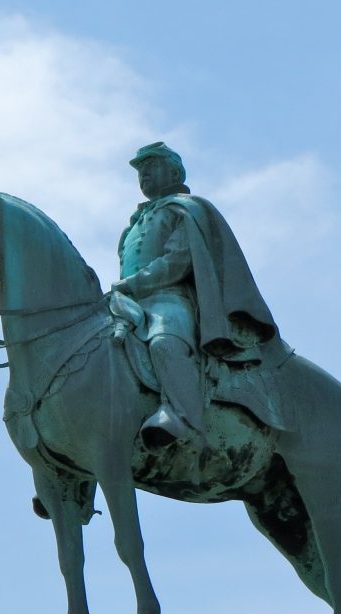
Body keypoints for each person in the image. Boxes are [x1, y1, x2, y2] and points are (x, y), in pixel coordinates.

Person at [112, 142, 279, 451]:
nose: (144, 175)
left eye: (151, 167)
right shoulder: (133, 225)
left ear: (173, 171)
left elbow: (178, 260)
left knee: (164, 341)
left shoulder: (185, 208)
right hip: (130, 301)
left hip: (170, 298)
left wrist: (134, 284)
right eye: (141, 171)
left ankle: (179, 415)